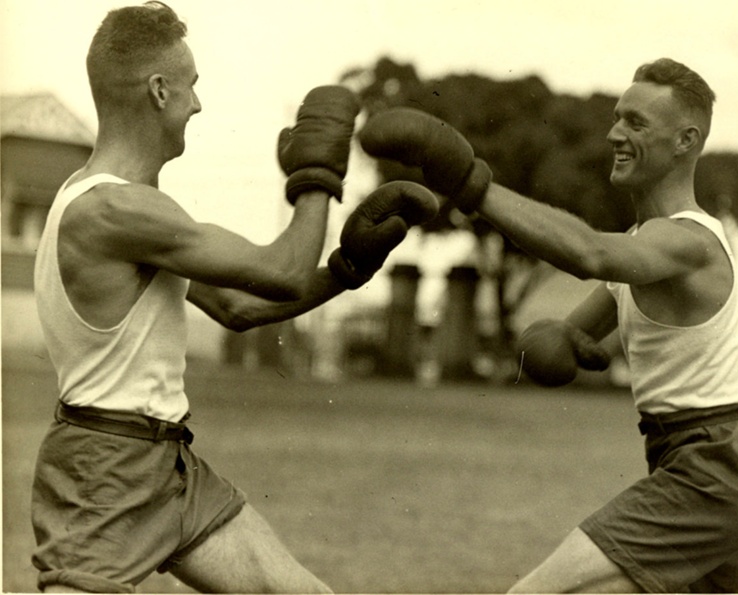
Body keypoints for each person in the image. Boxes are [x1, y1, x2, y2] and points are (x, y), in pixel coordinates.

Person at [31, 2, 437, 593]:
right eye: (191, 85)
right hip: (104, 473)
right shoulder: (113, 209)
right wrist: (317, 177)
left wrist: (345, 271)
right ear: (159, 91)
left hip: (168, 467)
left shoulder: (124, 208)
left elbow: (238, 308)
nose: (198, 104)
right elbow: (282, 272)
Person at [357, 58, 738, 593]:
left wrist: (470, 184)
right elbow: (559, 337)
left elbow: (589, 252)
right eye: (616, 118)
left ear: (685, 141)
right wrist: (550, 341)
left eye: (636, 123)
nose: (614, 134)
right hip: (730, 465)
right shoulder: (642, 250)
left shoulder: (688, 241)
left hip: (711, 469)